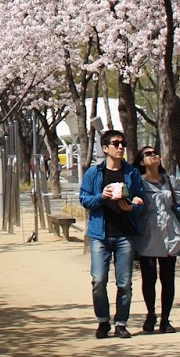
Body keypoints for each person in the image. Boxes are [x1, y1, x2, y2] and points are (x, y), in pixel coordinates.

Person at [78, 128, 148, 339]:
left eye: (122, 144)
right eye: (116, 144)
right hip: (100, 234)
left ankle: (121, 323)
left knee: (124, 282)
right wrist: (102, 196)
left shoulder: (132, 173)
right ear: (105, 148)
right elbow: (84, 199)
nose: (121, 147)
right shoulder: (94, 173)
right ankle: (102, 321)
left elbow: (141, 199)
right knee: (98, 279)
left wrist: (133, 207)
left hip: (125, 234)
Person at [134, 145, 180, 333]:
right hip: (148, 233)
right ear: (142, 161)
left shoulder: (171, 181)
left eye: (155, 153)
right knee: (149, 278)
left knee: (168, 279)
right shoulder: (138, 182)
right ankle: (151, 313)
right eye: (148, 154)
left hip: (170, 232)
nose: (154, 156)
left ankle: (166, 319)